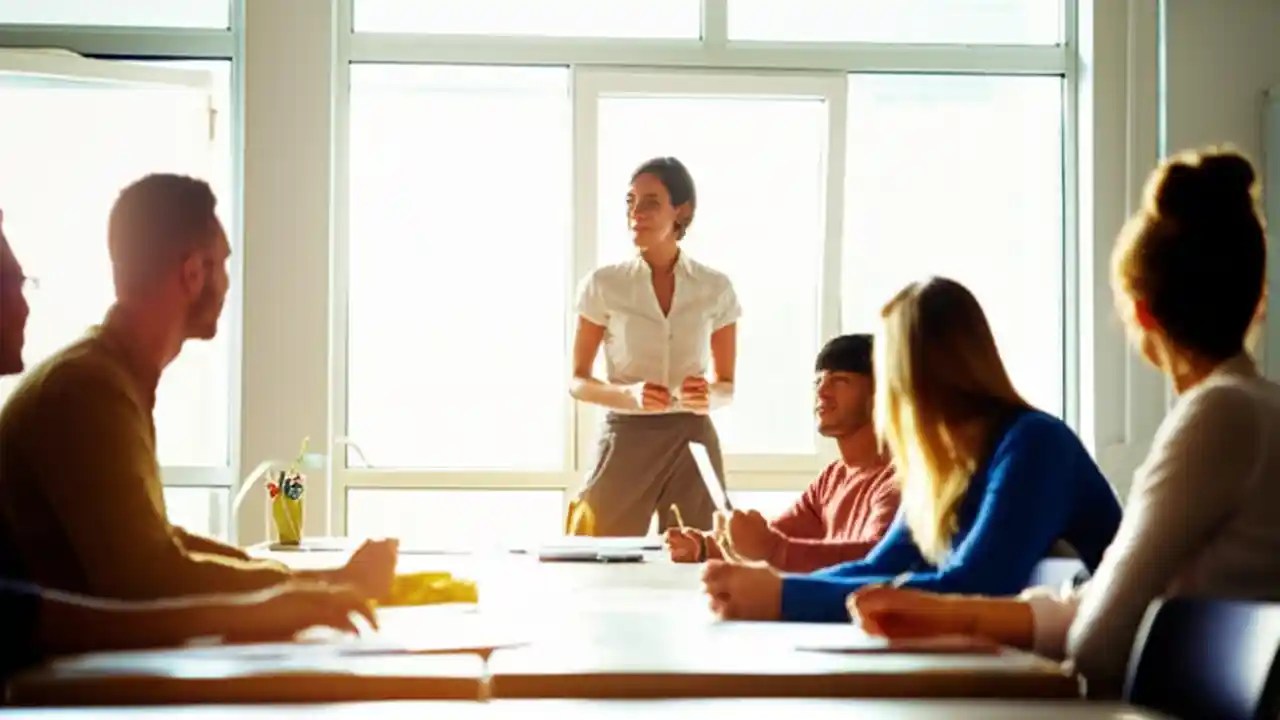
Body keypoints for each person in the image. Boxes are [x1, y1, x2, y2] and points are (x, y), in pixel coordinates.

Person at [848, 147, 1280, 698]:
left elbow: (1097, 643)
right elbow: (1101, 601)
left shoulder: (1218, 414)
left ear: (1139, 312)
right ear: (1258, 300)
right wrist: (953, 613)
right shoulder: (1258, 408)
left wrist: (961, 614)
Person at [0, 217, 376, 683]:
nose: (23, 305)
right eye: (9, 283)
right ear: (194, 272)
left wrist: (304, 585)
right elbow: (138, 578)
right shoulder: (84, 388)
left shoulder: (105, 377)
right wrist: (274, 600)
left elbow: (149, 545)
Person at [702, 277, 1122, 623]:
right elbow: (881, 567)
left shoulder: (1035, 444)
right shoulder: (940, 466)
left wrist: (783, 598)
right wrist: (778, 589)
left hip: (1085, 681)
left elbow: (977, 584)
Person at [567, 157, 740, 536]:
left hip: (693, 439)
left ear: (682, 210)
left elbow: (727, 385)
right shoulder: (604, 284)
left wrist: (708, 395)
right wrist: (630, 395)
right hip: (625, 435)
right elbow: (577, 381)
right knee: (593, 553)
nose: (635, 213)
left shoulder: (715, 288)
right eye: (630, 202)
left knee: (702, 558)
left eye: (650, 202)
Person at [665, 334, 899, 572]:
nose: (822, 392)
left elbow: (875, 561)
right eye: (818, 381)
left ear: (881, 396)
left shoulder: (899, 480)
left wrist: (772, 549)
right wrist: (704, 546)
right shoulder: (833, 477)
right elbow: (779, 533)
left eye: (840, 381)